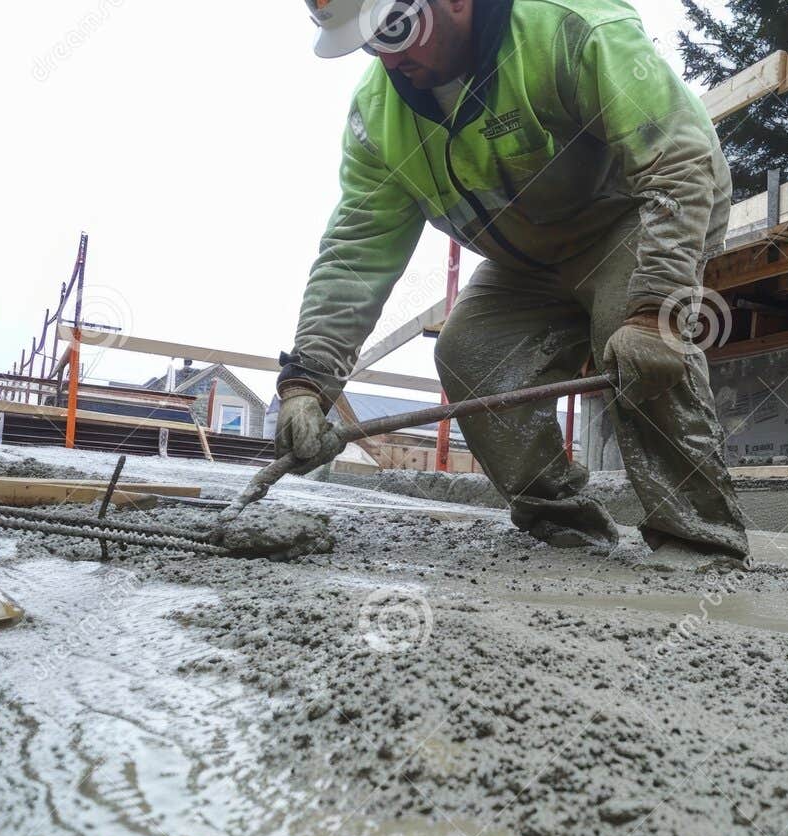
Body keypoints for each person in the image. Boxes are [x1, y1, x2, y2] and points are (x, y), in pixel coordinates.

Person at [279, 0, 749, 571]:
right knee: (468, 350)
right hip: (526, 262)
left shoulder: (570, 29)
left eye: (395, 32)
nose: (388, 58)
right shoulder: (377, 120)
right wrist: (308, 381)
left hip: (635, 218)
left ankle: (700, 539)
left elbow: (679, 159)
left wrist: (655, 308)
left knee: (636, 346)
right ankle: (563, 523)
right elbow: (358, 249)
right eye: (373, 44)